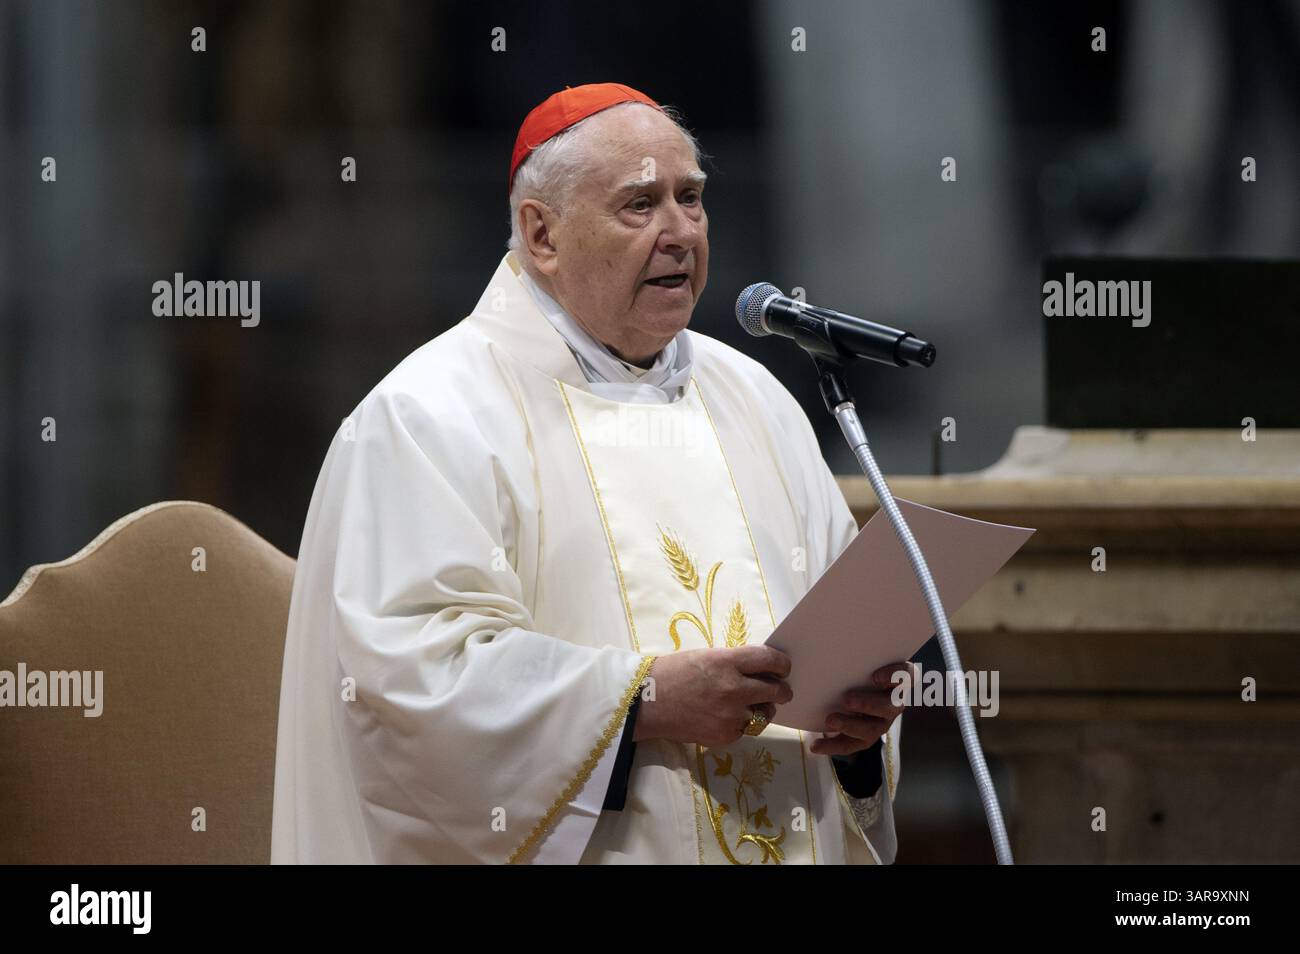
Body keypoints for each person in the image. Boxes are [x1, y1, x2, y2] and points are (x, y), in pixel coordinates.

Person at [271, 82, 905, 864]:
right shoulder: (428, 418)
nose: (680, 232)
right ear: (542, 235)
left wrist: (857, 738)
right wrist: (640, 700)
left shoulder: (757, 401)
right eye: (640, 204)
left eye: (692, 198)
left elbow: (837, 644)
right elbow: (410, 691)